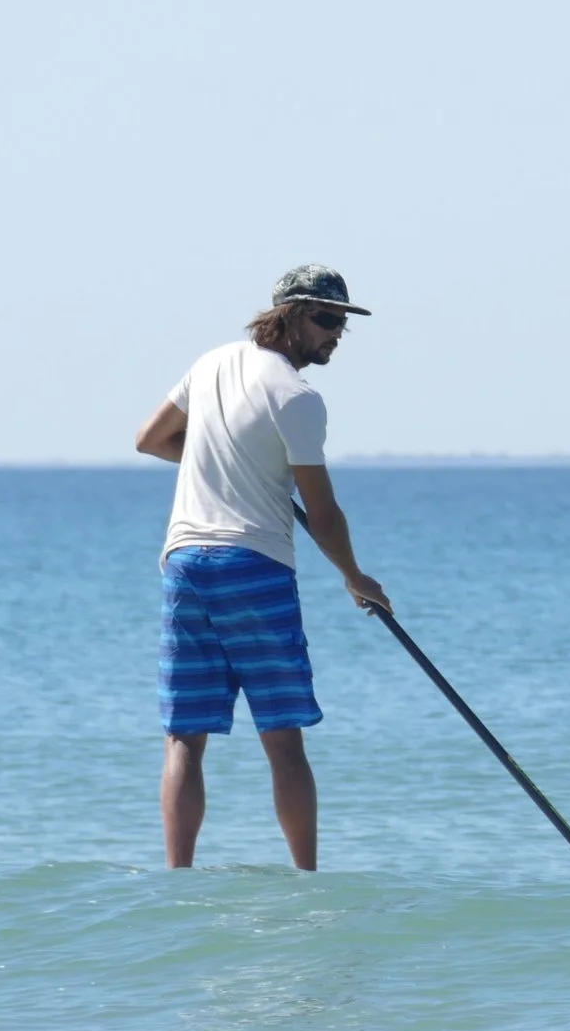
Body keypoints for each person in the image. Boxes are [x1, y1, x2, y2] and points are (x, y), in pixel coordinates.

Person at [133, 265, 390, 870]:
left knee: (184, 738)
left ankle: (179, 880)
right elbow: (323, 514)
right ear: (292, 314)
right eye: (328, 320)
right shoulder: (297, 398)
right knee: (282, 736)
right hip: (252, 563)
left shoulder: (210, 363)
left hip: (185, 562)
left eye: (343, 324)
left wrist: (228, 468)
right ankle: (308, 881)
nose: (336, 335)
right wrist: (357, 578)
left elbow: (152, 439)